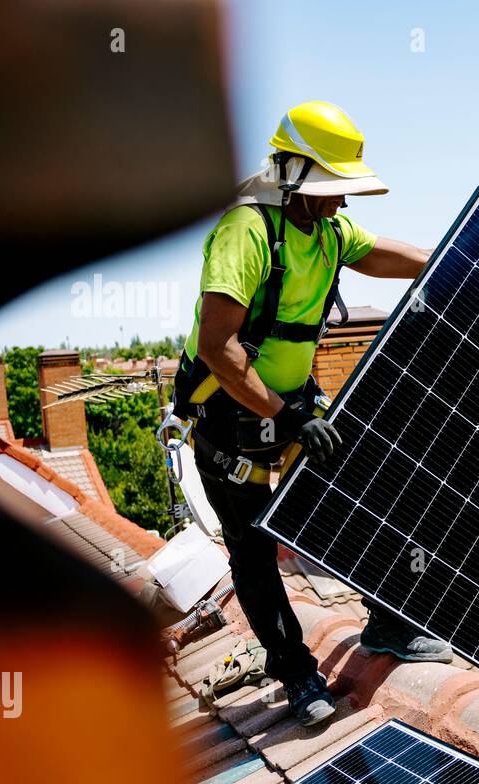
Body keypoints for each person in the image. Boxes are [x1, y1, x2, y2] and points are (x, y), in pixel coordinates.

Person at [174, 101, 453, 727]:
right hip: (228, 415)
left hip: (292, 408)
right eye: (332, 188)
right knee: (253, 550)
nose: (341, 203)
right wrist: (289, 418)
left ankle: (388, 624)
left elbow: (387, 254)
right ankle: (299, 678)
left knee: (365, 486)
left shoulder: (326, 231)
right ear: (292, 173)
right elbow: (220, 348)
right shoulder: (245, 232)